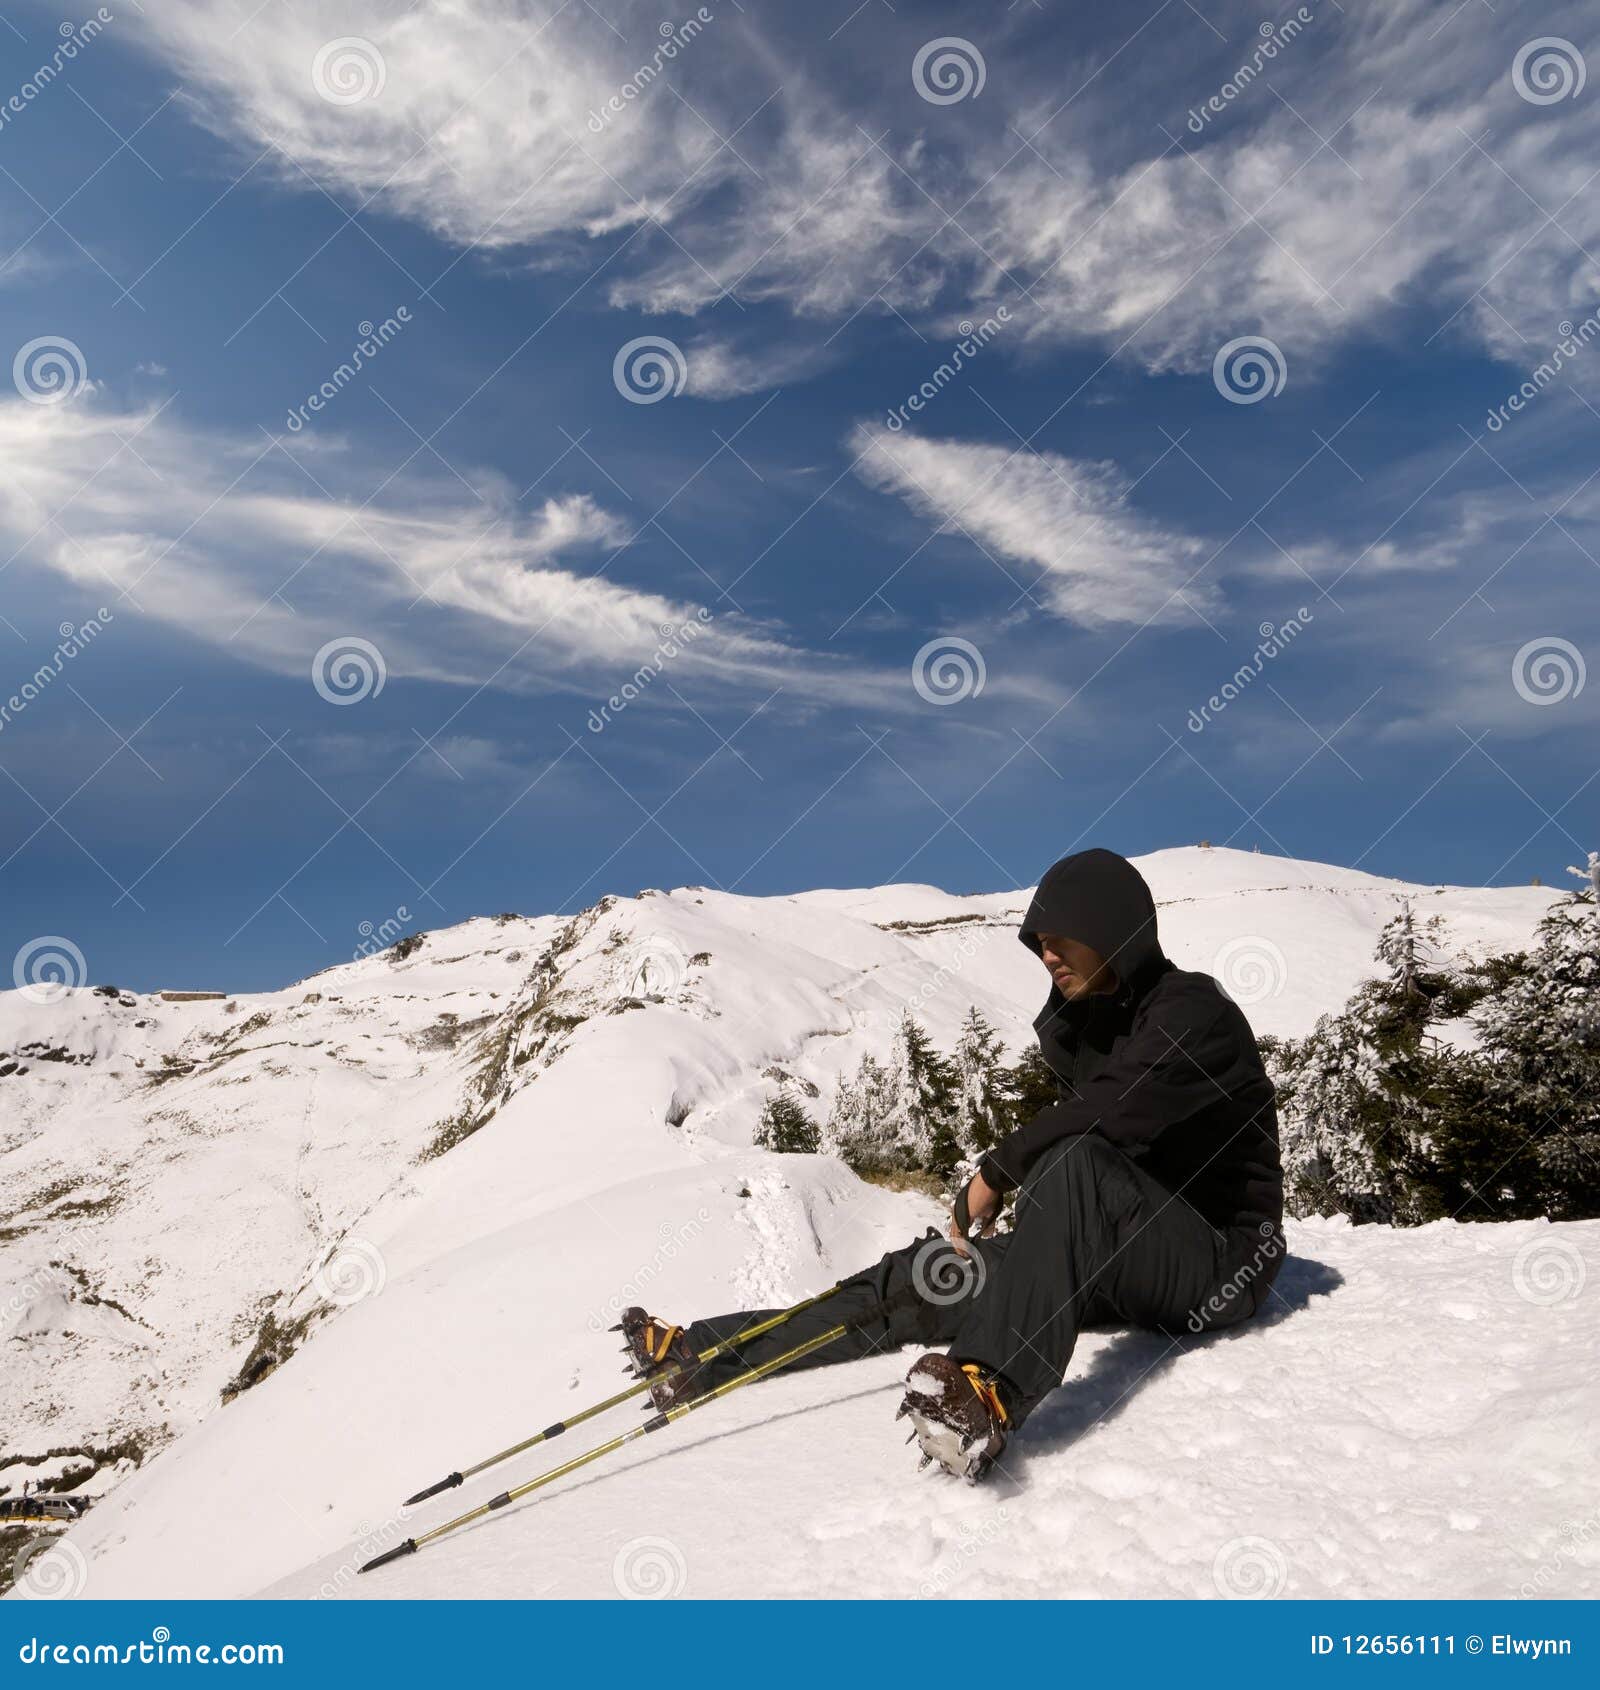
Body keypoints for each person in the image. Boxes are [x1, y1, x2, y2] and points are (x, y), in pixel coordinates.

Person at [618, 848, 1284, 1483]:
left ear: (1112, 930)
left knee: (1075, 1158)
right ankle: (704, 1356)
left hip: (1218, 1262)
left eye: (1062, 938)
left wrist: (997, 1171)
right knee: (931, 1273)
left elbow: (1112, 1114)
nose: (1046, 954)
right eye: (1039, 942)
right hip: (1126, 1254)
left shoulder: (1195, 1015)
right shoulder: (1095, 1028)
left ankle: (986, 1396)